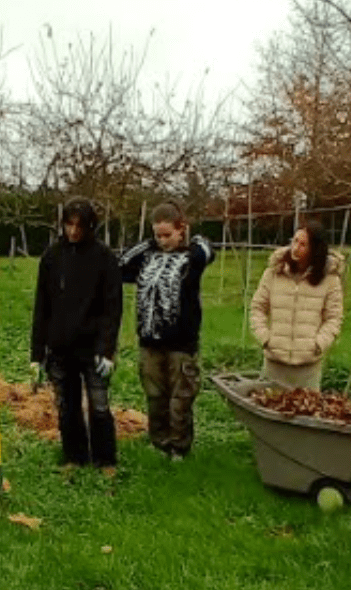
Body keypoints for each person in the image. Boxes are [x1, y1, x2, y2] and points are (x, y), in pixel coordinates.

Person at [30, 197, 123, 473]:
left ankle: (106, 460)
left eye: (79, 226)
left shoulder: (104, 258)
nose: (73, 231)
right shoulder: (52, 256)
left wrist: (107, 350)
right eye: (69, 224)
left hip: (93, 348)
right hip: (60, 349)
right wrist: (37, 355)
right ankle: (74, 457)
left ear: (90, 225)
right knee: (67, 407)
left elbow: (112, 308)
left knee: (99, 405)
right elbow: (41, 307)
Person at [119, 201, 215, 461]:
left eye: (167, 235)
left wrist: (189, 241)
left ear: (180, 229)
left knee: (180, 398)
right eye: (157, 235)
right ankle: (159, 442)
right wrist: (147, 245)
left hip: (181, 343)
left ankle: (179, 447)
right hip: (149, 340)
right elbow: (121, 264)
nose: (162, 241)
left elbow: (206, 250)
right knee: (155, 395)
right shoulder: (148, 255)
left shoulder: (192, 256)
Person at [250, 220, 344, 390]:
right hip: (275, 363)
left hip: (307, 368)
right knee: (269, 409)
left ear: (315, 249)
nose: (295, 247)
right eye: (294, 241)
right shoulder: (274, 272)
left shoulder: (330, 279)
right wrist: (265, 338)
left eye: (303, 244)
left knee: (305, 413)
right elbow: (258, 307)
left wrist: (318, 344)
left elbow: (334, 318)